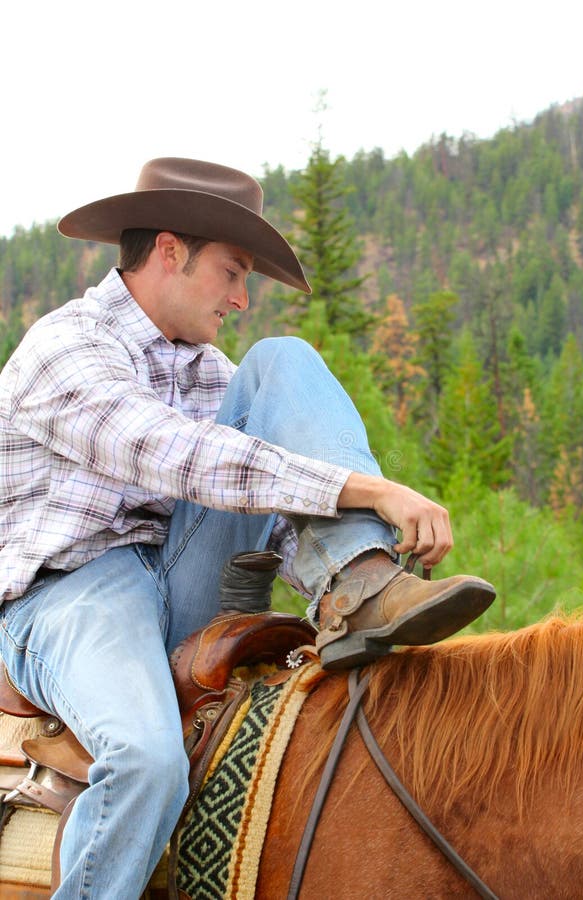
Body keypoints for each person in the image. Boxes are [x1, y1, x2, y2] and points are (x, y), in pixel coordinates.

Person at [0, 158, 495, 898]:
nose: (241, 298)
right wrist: (375, 489)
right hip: (72, 595)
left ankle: (360, 580)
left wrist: (347, 530)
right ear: (171, 251)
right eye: (233, 273)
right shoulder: (65, 346)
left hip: (173, 576)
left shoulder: (211, 373)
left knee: (281, 363)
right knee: (145, 760)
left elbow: (267, 490)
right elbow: (176, 455)